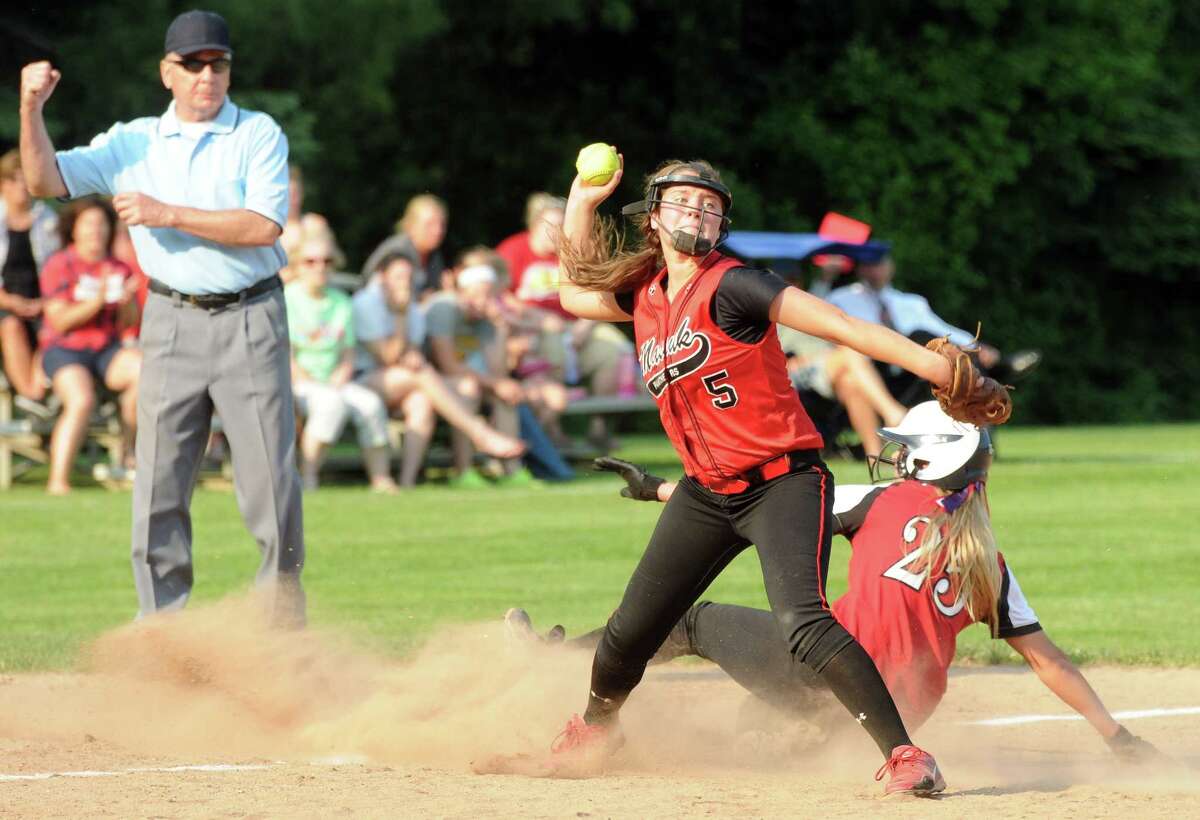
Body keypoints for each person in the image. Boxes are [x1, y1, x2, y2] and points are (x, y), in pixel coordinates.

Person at [549, 154, 980, 795]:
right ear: (654, 219)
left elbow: (843, 327)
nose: (697, 212)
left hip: (785, 481)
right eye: (683, 202)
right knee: (631, 630)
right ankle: (596, 729)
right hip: (707, 491)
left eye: (710, 205)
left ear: (722, 223)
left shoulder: (734, 285)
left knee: (804, 622)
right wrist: (582, 204)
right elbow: (569, 294)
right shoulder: (645, 297)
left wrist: (940, 370)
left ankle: (906, 756)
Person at [508, 403, 1163, 765]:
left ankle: (554, 658)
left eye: (909, 449)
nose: (898, 457)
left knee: (692, 619)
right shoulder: (989, 563)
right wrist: (1118, 737)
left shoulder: (884, 499)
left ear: (931, 460)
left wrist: (657, 489)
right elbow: (1049, 662)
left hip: (829, 672)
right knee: (754, 722)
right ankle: (791, 748)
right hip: (895, 714)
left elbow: (756, 503)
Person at [20, 10, 305, 624]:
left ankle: (282, 635)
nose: (207, 75)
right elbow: (44, 180)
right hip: (170, 318)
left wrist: (166, 213)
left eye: (218, 63)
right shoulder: (133, 140)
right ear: (166, 73)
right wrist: (31, 111)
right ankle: (161, 633)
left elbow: (261, 227)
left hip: (250, 316)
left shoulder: (257, 133)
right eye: (193, 64)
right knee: (157, 486)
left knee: (269, 490)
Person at [352, 250, 524, 487]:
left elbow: (408, 352)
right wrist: (400, 316)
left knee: (422, 402)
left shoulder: (410, 306)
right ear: (382, 277)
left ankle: (407, 483)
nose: (406, 283)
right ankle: (479, 434)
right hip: (364, 379)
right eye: (399, 277)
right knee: (423, 373)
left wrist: (501, 329)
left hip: (403, 380)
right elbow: (388, 357)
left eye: (409, 278)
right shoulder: (366, 304)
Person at [496, 193, 634, 447]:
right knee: (552, 347)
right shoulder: (513, 250)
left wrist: (586, 323)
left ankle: (599, 428)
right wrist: (535, 316)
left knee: (613, 352)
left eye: (564, 225)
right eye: (554, 226)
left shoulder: (575, 254)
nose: (561, 232)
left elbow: (600, 292)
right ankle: (554, 433)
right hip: (535, 329)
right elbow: (499, 295)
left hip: (578, 325)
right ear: (535, 226)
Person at [826, 254, 1041, 400]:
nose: (875, 271)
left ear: (890, 266)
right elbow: (819, 317)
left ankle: (985, 369)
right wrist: (826, 277)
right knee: (918, 335)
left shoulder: (910, 301)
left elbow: (940, 328)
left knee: (938, 342)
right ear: (860, 269)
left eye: (879, 264)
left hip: (922, 364)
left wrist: (975, 345)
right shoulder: (844, 297)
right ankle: (1000, 372)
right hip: (880, 366)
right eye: (869, 265)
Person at [38, 198, 141, 494]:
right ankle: (58, 480)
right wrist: (97, 301)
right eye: (89, 224)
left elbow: (127, 323)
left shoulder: (118, 267)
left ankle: (129, 455)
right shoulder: (60, 264)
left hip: (107, 348)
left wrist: (127, 303)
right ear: (74, 229)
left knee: (147, 373)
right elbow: (59, 321)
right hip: (65, 349)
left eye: (101, 224)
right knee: (81, 400)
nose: (96, 231)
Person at [286, 234, 396, 492]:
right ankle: (308, 475)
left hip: (334, 379)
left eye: (327, 261)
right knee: (330, 404)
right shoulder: (286, 299)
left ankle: (380, 477)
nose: (319, 267)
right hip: (297, 381)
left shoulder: (342, 302)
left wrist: (341, 374)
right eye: (310, 261)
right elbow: (284, 354)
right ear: (297, 266)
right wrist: (309, 380)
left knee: (370, 404)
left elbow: (348, 353)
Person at [424, 251, 537, 487]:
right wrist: (496, 383)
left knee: (506, 394)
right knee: (469, 388)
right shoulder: (444, 308)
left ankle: (511, 470)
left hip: (469, 379)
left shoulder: (486, 318)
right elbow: (447, 364)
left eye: (488, 295)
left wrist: (499, 327)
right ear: (462, 291)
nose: (482, 301)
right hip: (435, 381)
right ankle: (463, 471)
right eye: (476, 294)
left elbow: (498, 371)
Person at [777, 323, 907, 459]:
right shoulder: (772, 305)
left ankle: (874, 456)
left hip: (827, 360)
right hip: (794, 369)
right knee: (850, 352)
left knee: (849, 382)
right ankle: (892, 413)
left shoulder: (817, 304)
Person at [0, 148, 59, 400]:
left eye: (26, 181)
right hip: (5, 301)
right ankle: (29, 395)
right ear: (3, 184)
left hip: (42, 300)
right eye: (15, 181)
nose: (22, 188)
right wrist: (12, 302)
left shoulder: (48, 220)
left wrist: (45, 302)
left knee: (54, 325)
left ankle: (37, 390)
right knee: (12, 326)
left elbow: (58, 269)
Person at [360, 194, 448, 298]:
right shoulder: (397, 252)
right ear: (410, 225)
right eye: (430, 224)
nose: (438, 231)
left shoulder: (434, 256)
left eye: (441, 225)